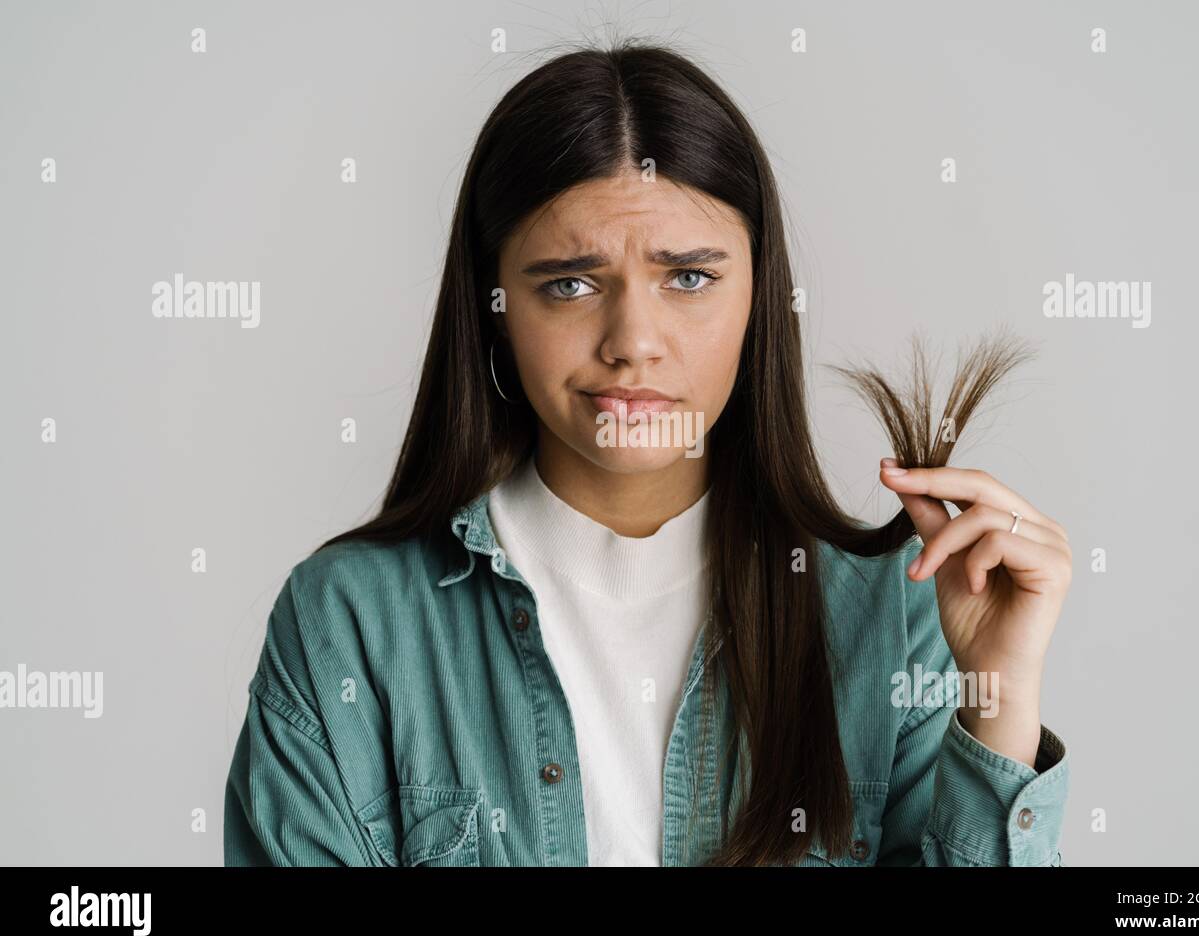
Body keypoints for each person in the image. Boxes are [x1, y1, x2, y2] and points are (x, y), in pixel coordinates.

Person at [224, 40, 1072, 867]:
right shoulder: (351, 624)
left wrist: (997, 697)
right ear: (495, 307)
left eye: (690, 278)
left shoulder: (897, 610)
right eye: (569, 283)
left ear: (760, 297)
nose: (633, 342)